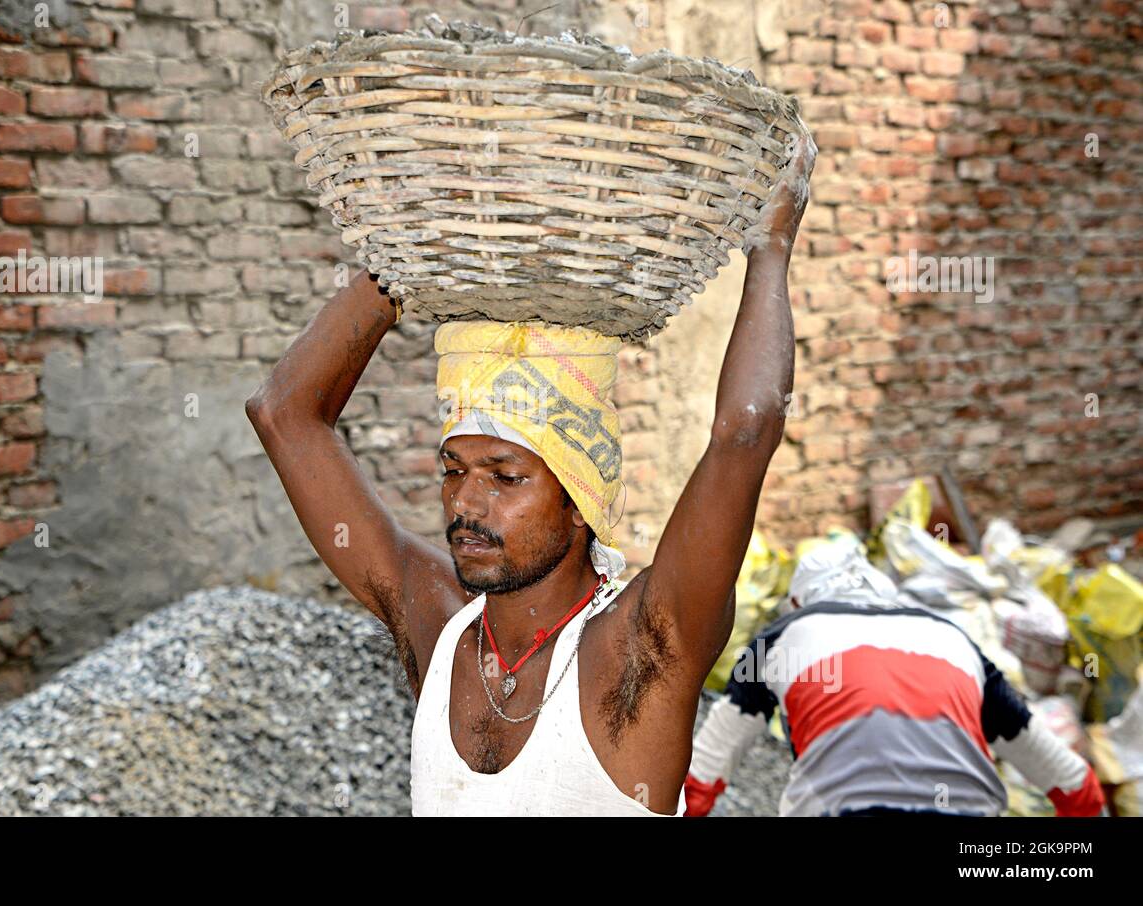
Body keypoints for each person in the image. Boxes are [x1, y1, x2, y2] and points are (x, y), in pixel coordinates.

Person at [244, 138, 817, 816]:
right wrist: (399, 260)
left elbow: (744, 434)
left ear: (580, 501)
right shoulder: (440, 627)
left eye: (505, 477)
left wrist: (770, 245)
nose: (466, 502)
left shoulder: (641, 647)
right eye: (453, 469)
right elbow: (283, 415)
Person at [683, 536, 1107, 817]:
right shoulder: (953, 638)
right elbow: (1070, 781)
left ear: (798, 602)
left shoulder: (782, 635)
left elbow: (704, 770)